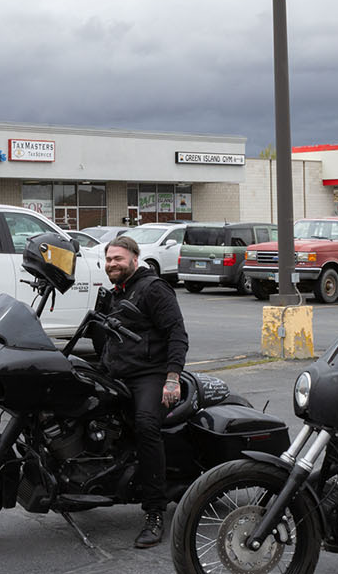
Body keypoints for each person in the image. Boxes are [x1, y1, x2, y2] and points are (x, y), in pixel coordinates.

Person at [99, 235, 189, 549]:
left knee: (146, 425)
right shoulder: (116, 292)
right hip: (118, 374)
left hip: (149, 375)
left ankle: (154, 511)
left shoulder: (153, 288)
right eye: (109, 259)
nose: (112, 264)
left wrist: (172, 378)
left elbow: (177, 333)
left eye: (118, 259)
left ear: (134, 259)